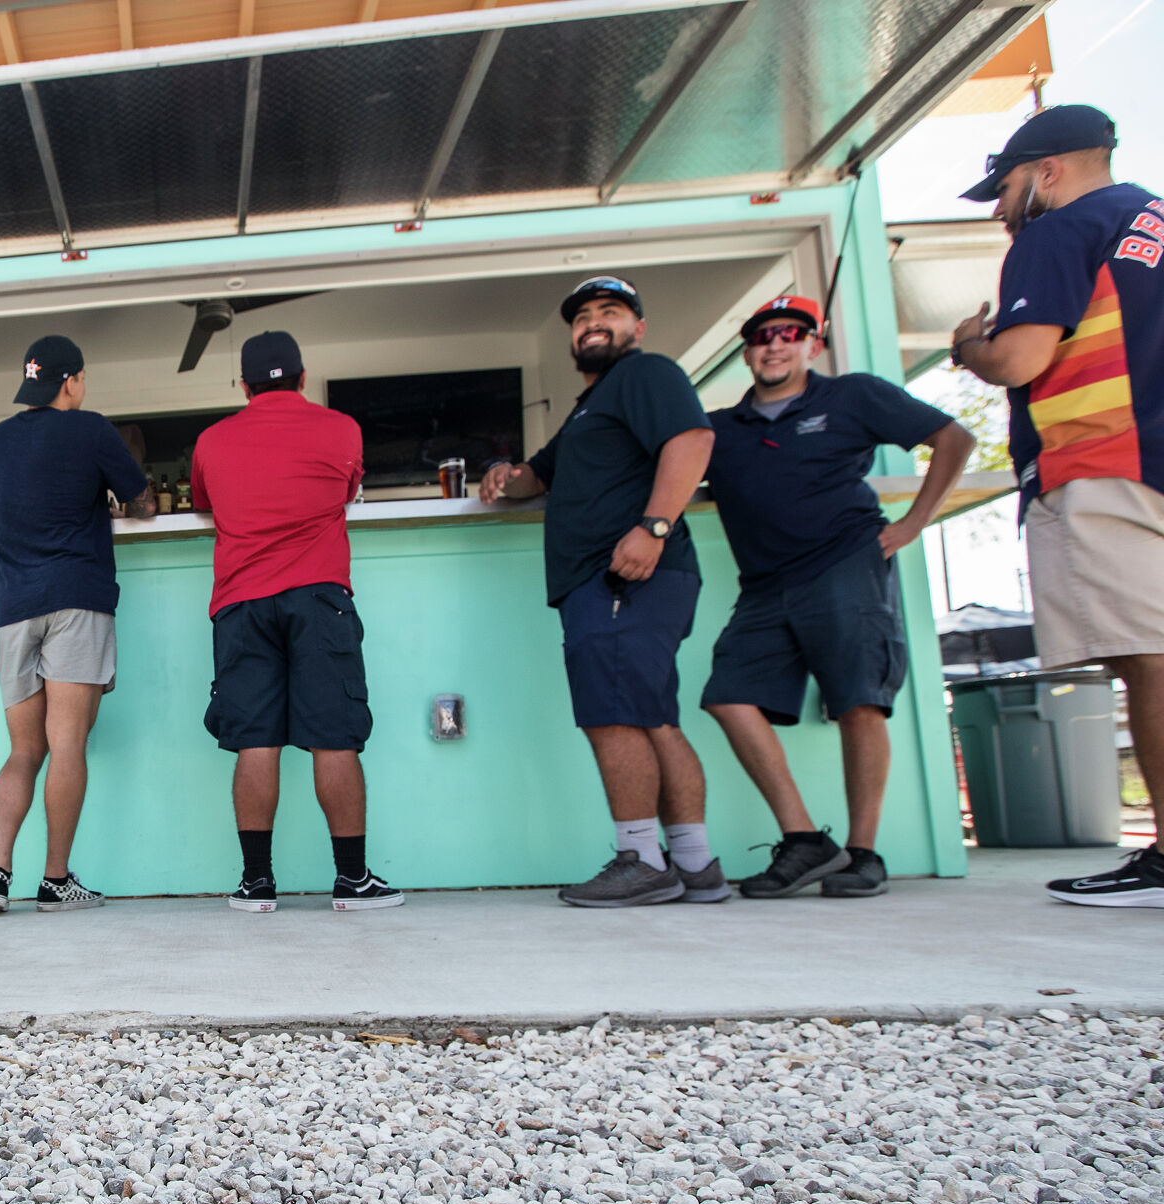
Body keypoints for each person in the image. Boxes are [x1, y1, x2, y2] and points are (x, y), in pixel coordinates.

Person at [951, 104, 1164, 909]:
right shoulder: (1150, 219)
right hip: (1152, 457)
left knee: (1146, 656)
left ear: (1049, 173)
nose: (1002, 209)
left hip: (1105, 460)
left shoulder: (1058, 231)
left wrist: (966, 347)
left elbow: (1019, 357)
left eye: (1005, 189)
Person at [702, 296, 975, 897]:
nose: (775, 344)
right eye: (762, 336)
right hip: (764, 585)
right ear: (747, 351)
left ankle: (864, 853)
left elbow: (954, 438)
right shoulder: (719, 428)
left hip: (844, 563)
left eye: (790, 334)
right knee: (727, 697)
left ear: (812, 345)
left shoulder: (852, 395)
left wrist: (913, 524)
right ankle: (804, 842)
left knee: (858, 702)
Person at [479, 276, 727, 906]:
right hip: (617, 579)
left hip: (625, 573)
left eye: (610, 312)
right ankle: (695, 864)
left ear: (637, 328)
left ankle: (641, 858)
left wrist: (653, 528)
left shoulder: (647, 375)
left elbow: (694, 440)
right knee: (650, 715)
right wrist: (505, 475)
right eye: (583, 315)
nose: (593, 322)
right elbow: (539, 476)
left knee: (612, 716)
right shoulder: (593, 405)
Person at [190, 331, 403, 913]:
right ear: (304, 377)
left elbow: (204, 504)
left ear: (244, 384)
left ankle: (256, 883)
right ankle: (352, 881)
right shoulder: (342, 430)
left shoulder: (211, 441)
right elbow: (347, 489)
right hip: (318, 599)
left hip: (240, 604)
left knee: (255, 740)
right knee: (333, 736)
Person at [0, 336, 150, 913]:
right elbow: (142, 503)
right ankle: (56, 881)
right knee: (67, 747)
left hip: (13, 610)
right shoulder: (90, 430)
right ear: (71, 381)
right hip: (76, 599)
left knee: (22, 751)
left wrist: (15, 505)